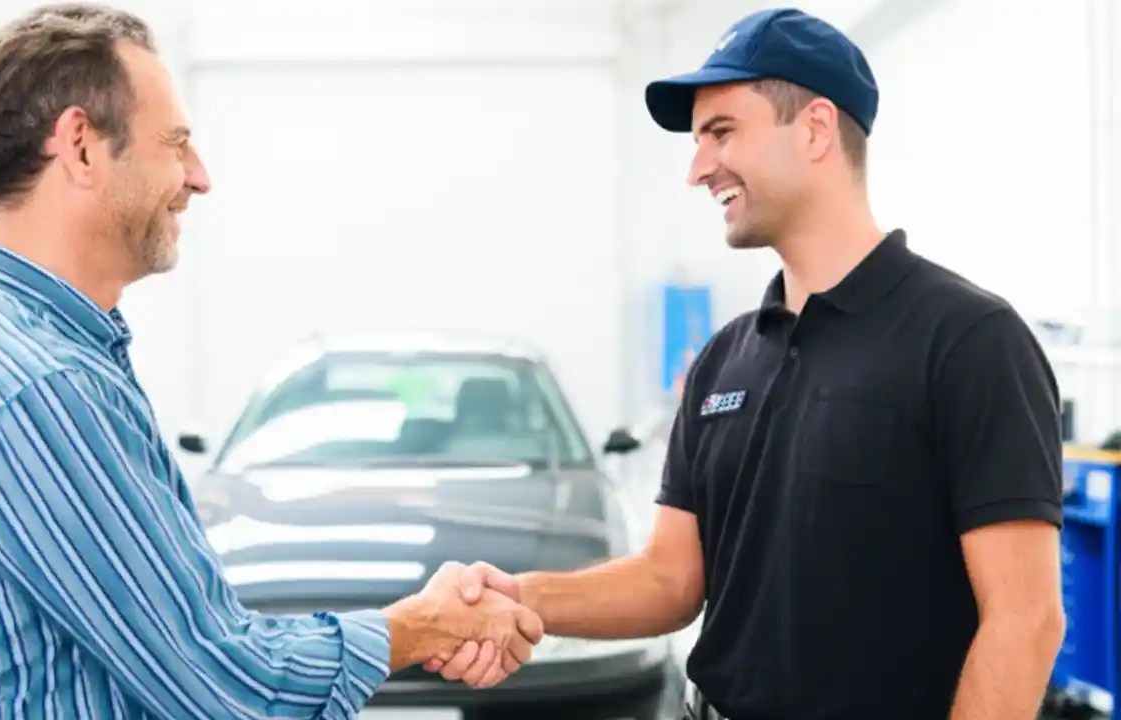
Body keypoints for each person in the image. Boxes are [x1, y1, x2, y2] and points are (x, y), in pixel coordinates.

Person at [0, 4, 540, 718]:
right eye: (176, 143)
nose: (199, 177)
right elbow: (226, 688)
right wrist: (421, 625)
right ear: (82, 147)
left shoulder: (25, 353)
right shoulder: (39, 390)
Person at [429, 7, 1067, 719]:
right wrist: (518, 597)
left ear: (816, 129)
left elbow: (1025, 620)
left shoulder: (968, 340)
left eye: (722, 133)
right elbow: (671, 580)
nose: (698, 169)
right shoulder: (724, 362)